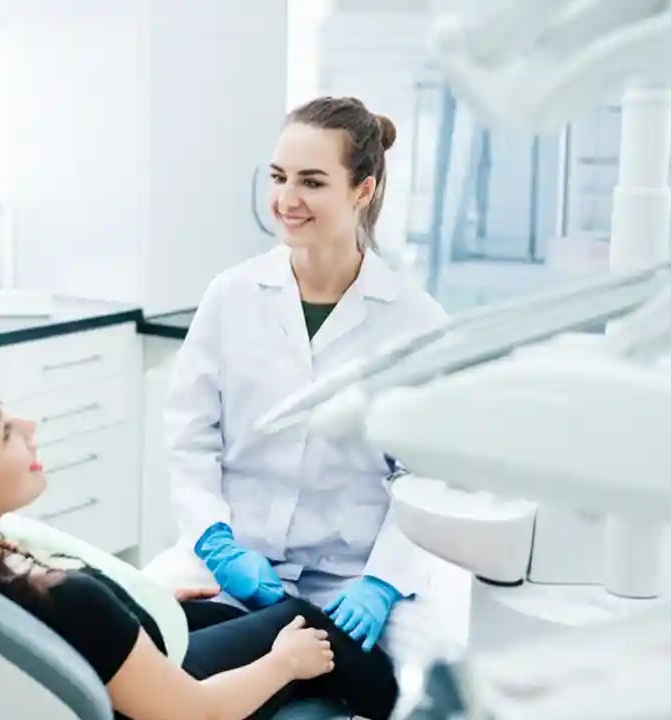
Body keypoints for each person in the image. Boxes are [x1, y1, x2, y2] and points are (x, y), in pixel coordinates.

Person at [0, 367, 400, 720]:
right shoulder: (67, 602)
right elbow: (198, 715)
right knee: (302, 625)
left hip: (119, 677)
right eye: (4, 429)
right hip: (160, 704)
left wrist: (140, 602)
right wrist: (283, 665)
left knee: (223, 608)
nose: (30, 426)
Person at [153, 96, 450, 696]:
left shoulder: (415, 321)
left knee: (433, 674)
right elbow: (190, 437)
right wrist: (216, 542)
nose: (287, 200)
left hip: (350, 583)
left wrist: (383, 584)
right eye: (279, 177)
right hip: (232, 561)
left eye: (312, 182)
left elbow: (430, 475)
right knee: (134, 626)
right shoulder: (231, 296)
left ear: (362, 190)